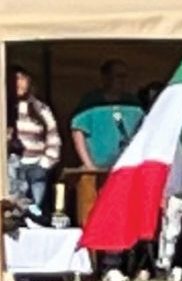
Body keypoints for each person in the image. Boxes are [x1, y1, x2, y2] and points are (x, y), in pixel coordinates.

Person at [69, 60, 144, 172]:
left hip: (127, 167)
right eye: (118, 76)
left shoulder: (133, 102)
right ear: (106, 78)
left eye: (125, 76)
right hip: (99, 168)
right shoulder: (91, 102)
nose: (122, 80)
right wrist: (89, 165)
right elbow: (78, 132)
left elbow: (143, 130)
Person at [7, 68, 60, 219]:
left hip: (37, 164)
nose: (19, 83)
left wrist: (46, 162)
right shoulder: (5, 107)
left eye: (22, 79)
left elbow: (53, 135)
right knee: (15, 206)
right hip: (13, 164)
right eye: (15, 79)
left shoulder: (39, 107)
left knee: (35, 209)